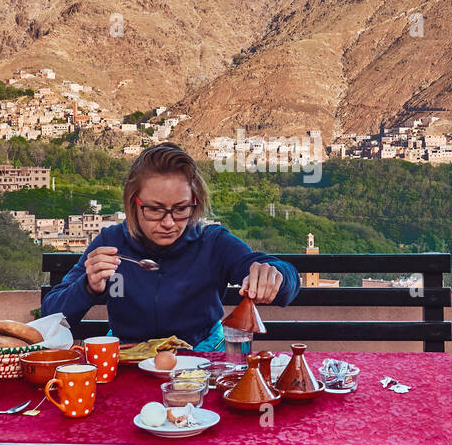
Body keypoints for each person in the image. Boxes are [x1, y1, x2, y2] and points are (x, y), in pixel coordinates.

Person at [40, 143, 299, 352]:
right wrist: (87, 286)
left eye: (181, 209)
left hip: (202, 360)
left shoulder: (213, 243)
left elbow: (287, 284)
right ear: (133, 202)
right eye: (154, 209)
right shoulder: (111, 243)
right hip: (129, 364)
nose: (168, 222)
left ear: (194, 203)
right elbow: (50, 315)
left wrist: (274, 275)